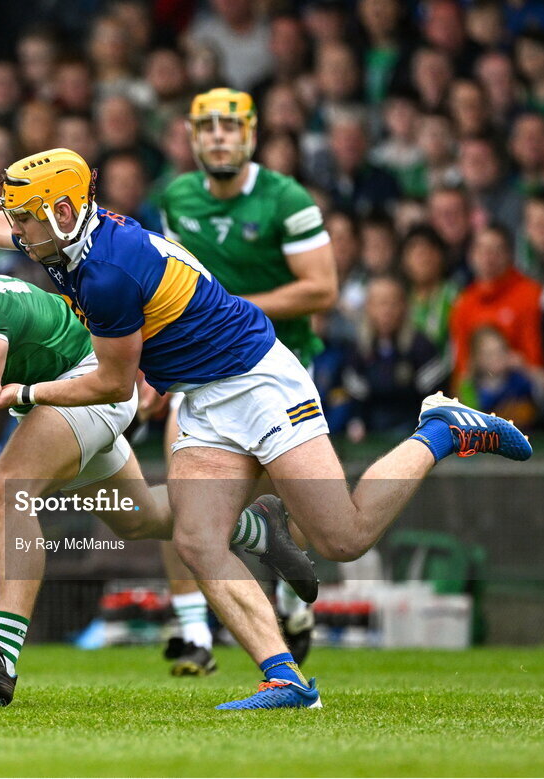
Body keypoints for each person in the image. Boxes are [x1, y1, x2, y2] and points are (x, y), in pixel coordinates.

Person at [0, 146, 533, 709]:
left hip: (257, 380)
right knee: (195, 538)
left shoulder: (106, 272)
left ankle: (441, 430)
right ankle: (285, 677)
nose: (16, 231)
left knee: (343, 538)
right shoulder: (57, 235)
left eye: (24, 219)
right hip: (202, 397)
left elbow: (112, 384)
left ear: (60, 210)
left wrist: (23, 393)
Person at [0, 246, 315, 707]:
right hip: (53, 398)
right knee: (142, 520)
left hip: (86, 386)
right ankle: (254, 526)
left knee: (9, 487)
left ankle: (2, 656)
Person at [156, 87, 338, 673]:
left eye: (229, 127)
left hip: (280, 364)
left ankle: (290, 600)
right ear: (191, 136)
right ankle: (194, 637)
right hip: (201, 369)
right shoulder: (177, 197)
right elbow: (171, 283)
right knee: (181, 497)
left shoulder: (287, 198)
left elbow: (322, 287)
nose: (217, 137)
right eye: (205, 126)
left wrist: (232, 307)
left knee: (305, 509)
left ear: (251, 135)